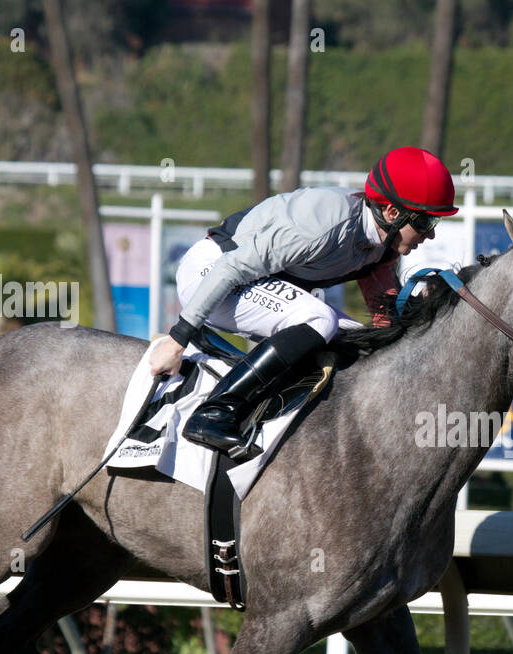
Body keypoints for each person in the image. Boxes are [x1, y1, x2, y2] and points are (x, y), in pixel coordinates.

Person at [150, 146, 459, 456]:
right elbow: (230, 268)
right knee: (320, 319)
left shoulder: (382, 241)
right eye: (424, 223)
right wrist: (176, 341)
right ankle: (213, 413)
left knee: (356, 338)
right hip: (211, 273)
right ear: (392, 212)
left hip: (247, 280)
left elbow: (384, 318)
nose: (429, 235)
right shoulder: (322, 226)